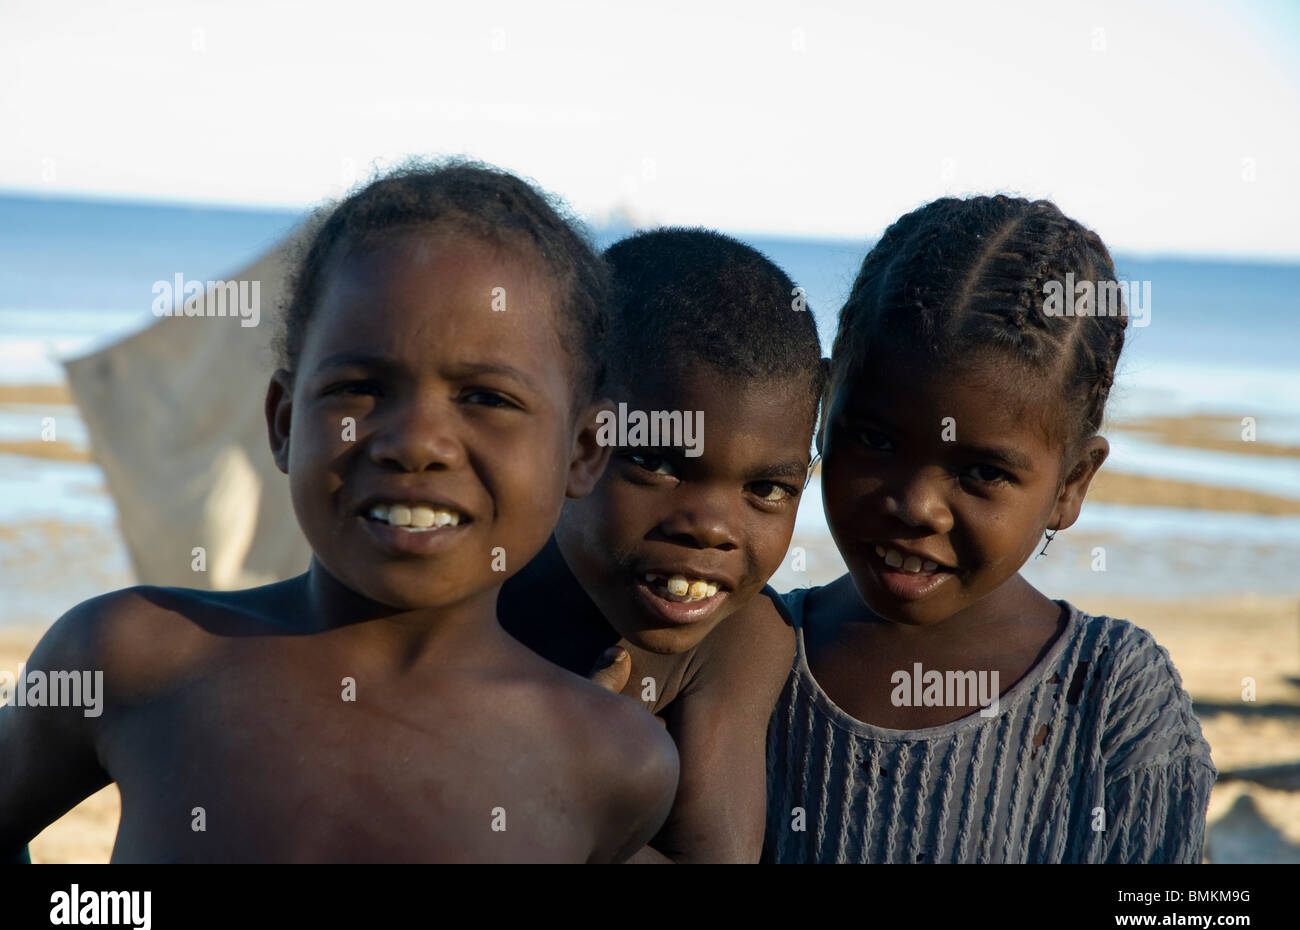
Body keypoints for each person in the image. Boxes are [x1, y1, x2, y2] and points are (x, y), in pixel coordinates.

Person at [0, 160, 678, 863]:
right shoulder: (132, 656)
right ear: (284, 422)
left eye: (485, 398)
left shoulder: (611, 759)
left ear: (583, 451)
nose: (416, 443)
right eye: (361, 387)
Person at [764, 195, 1215, 863]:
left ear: (1070, 486)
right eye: (875, 440)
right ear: (824, 411)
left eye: (980, 472)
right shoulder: (754, 656)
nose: (918, 506)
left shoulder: (1112, 698)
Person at [501, 228, 825, 862]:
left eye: (766, 488)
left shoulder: (739, 641)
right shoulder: (470, 591)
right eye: (655, 462)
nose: (710, 527)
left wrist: (573, 791)